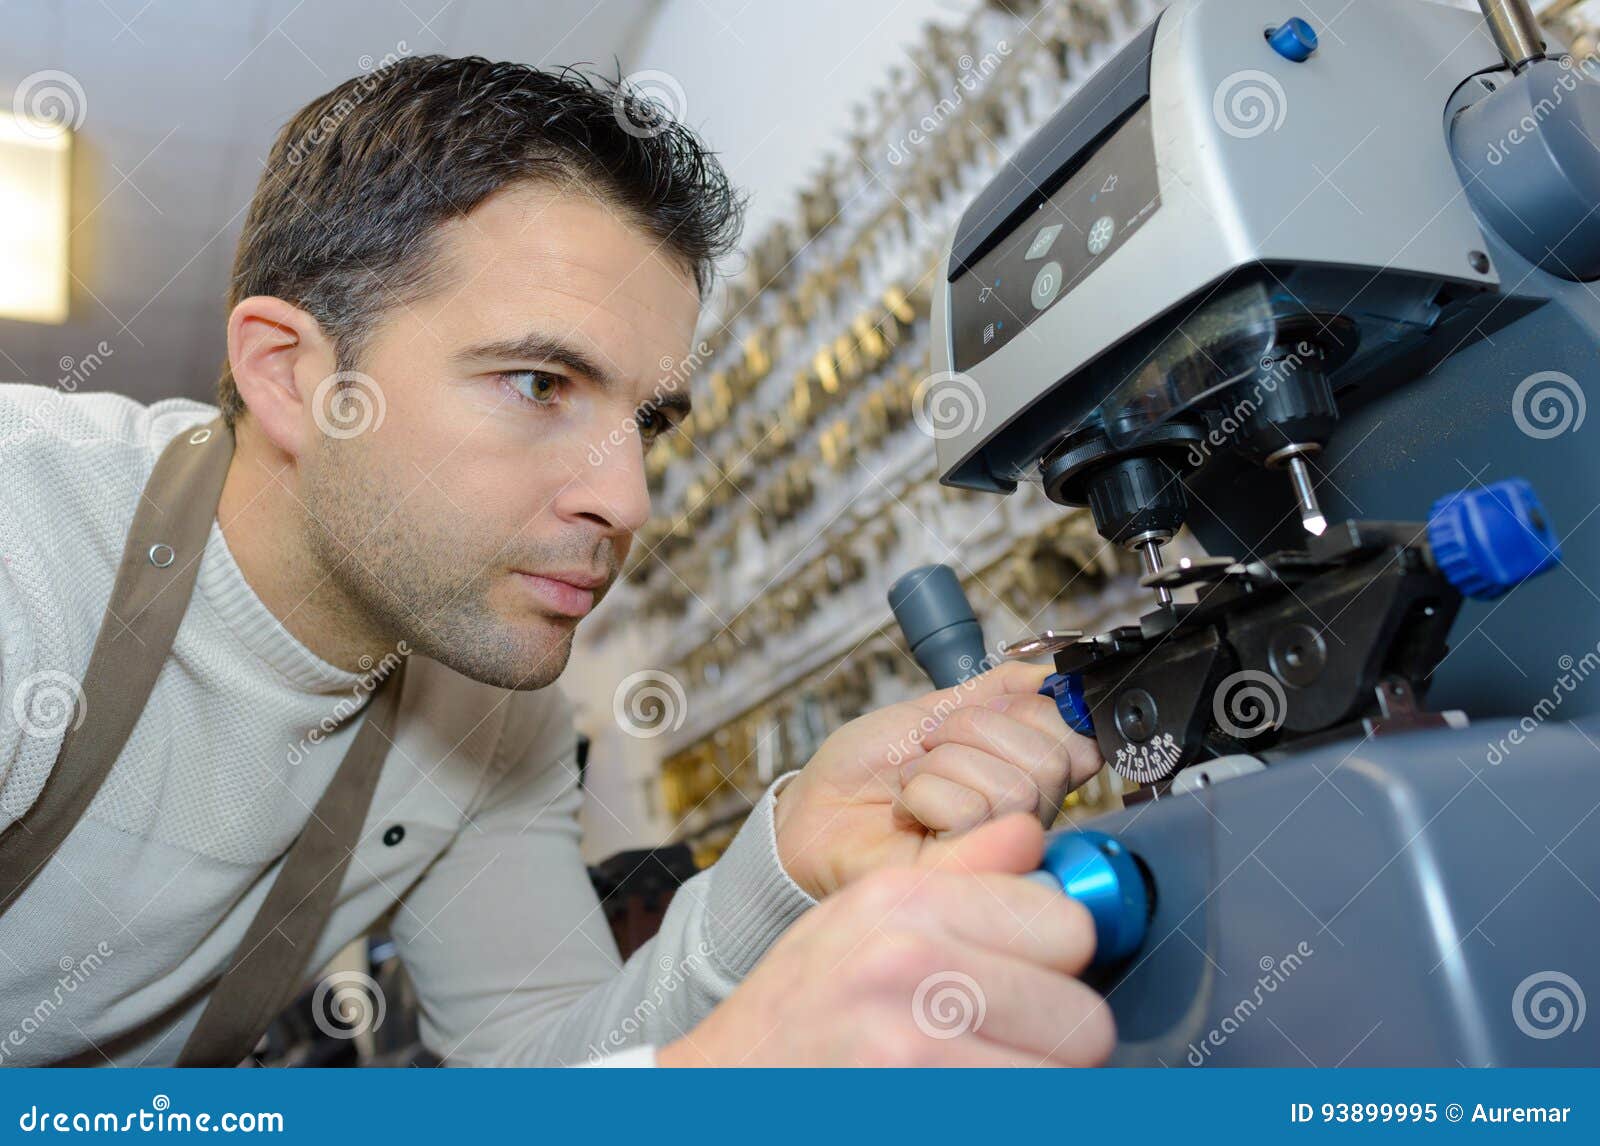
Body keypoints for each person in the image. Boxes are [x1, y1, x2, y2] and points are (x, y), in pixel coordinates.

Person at [0, 56, 1111, 1067]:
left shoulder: (495, 714)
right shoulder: (24, 542)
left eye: (651, 425)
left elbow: (544, 1073)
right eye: (539, 385)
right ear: (292, 377)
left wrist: (784, 857)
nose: (626, 500)